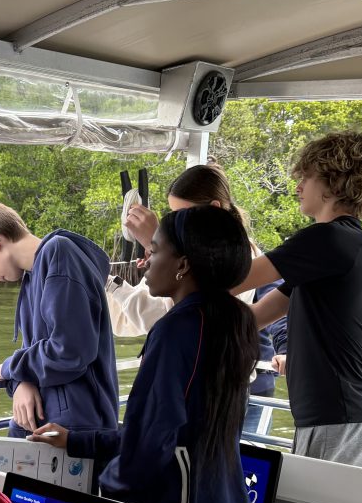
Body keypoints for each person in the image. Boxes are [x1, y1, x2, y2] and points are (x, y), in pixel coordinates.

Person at [31, 206, 259, 503]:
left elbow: (149, 441)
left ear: (183, 265)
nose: (144, 262)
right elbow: (174, 430)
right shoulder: (236, 321)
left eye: (154, 251)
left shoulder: (174, 330)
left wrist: (105, 498)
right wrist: (77, 441)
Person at [235, 131, 362, 503]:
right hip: (330, 416)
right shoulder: (336, 248)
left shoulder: (331, 238)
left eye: (306, 175)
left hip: (339, 416)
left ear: (334, 181)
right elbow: (254, 316)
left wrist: (163, 252)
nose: (298, 185)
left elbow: (236, 281)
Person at [107, 163, 285, 435]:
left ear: (213, 208)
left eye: (183, 214)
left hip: (215, 389)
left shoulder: (237, 257)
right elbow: (146, 318)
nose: (177, 223)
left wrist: (155, 245)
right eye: (173, 215)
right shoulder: (195, 257)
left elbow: (176, 316)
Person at [0, 202, 119, 438]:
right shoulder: (32, 277)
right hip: (45, 422)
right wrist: (21, 381)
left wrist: (7, 369)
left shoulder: (59, 254)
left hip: (77, 427)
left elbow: (69, 352)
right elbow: (34, 352)